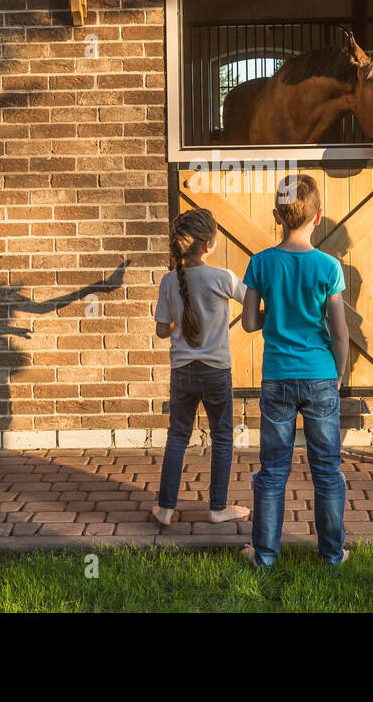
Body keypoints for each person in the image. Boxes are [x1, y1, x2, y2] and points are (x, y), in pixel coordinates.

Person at [240, 173, 350, 566]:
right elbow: (339, 332)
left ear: (276, 215)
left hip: (277, 379)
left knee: (272, 470)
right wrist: (338, 374)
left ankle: (265, 555)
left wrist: (280, 314)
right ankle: (333, 556)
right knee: (327, 471)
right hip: (320, 374)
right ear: (318, 217)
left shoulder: (261, 263)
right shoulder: (328, 267)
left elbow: (251, 323)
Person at [152, 208, 250, 525]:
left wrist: (177, 325)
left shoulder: (169, 281)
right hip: (216, 371)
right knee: (222, 437)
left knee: (178, 437)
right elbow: (253, 301)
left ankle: (165, 508)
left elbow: (160, 329)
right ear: (208, 243)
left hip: (183, 371)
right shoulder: (222, 278)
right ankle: (218, 508)